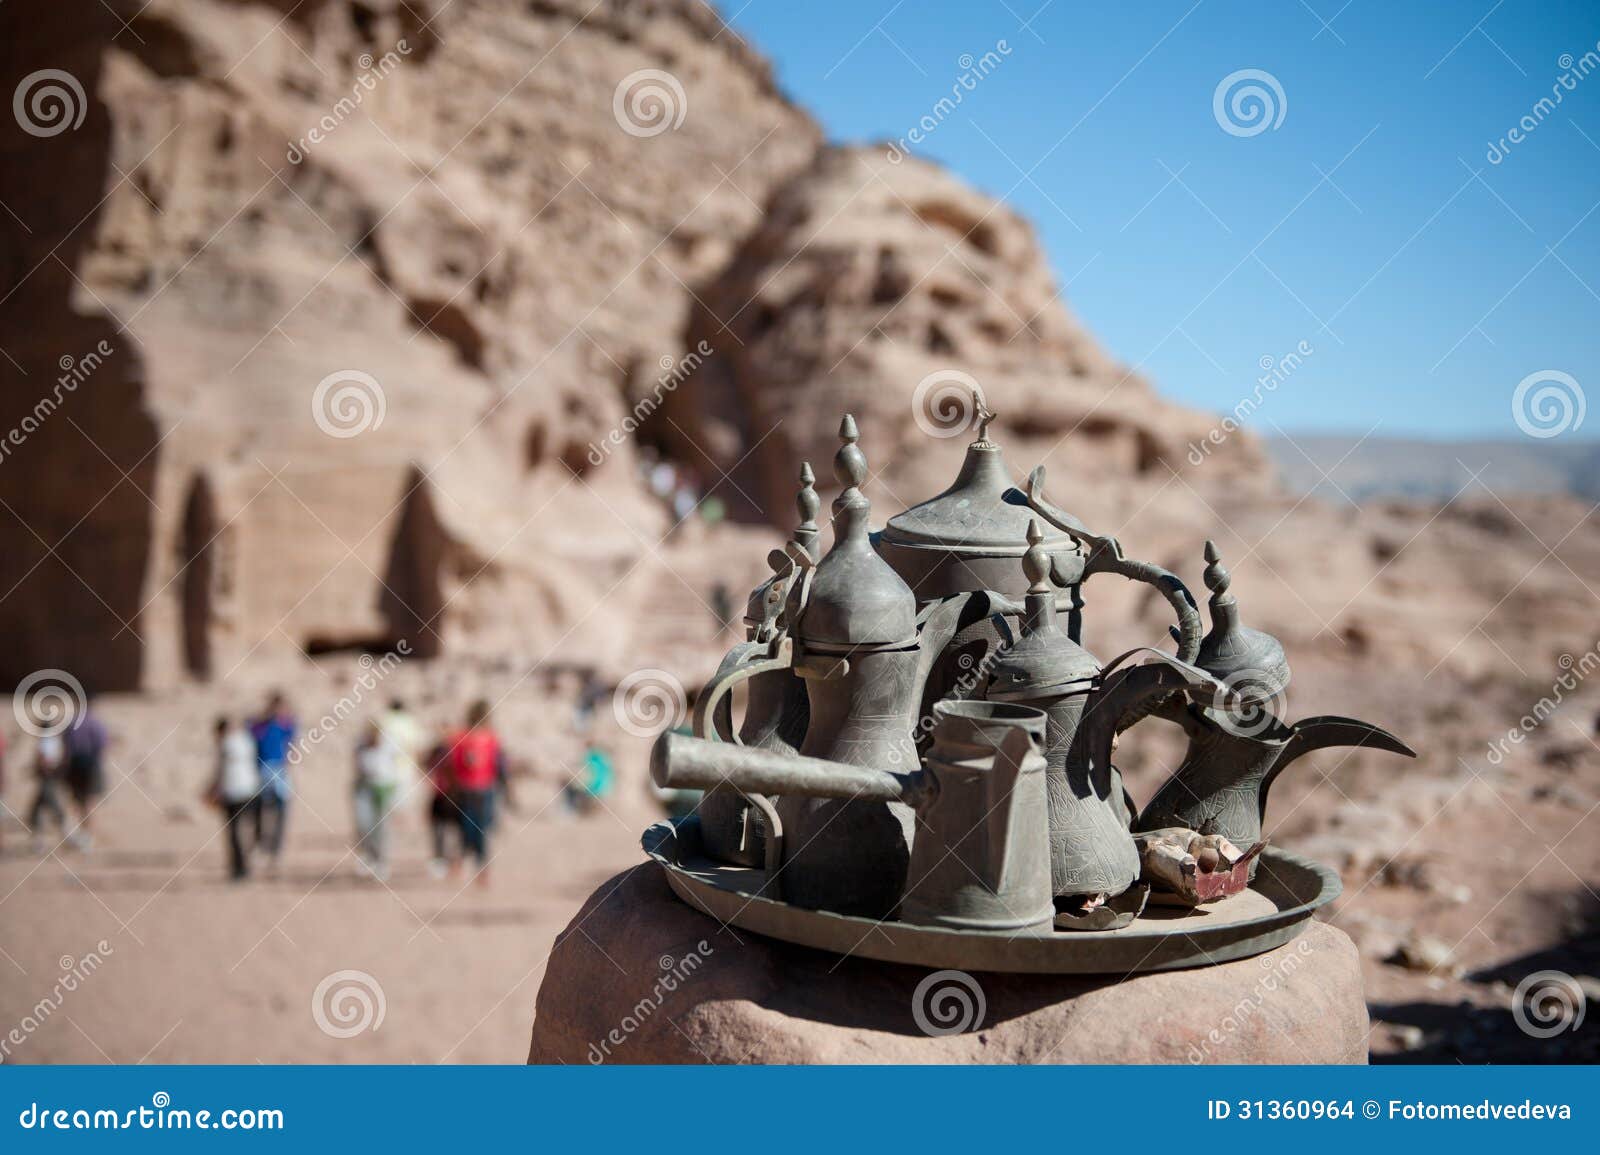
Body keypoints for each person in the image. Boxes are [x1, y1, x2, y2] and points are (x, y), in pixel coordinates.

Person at [445, 700, 504, 885]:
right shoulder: (475, 738)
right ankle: (475, 868)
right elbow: (500, 767)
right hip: (477, 789)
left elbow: (451, 767)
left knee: (471, 829)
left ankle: (469, 866)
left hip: (474, 789)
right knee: (476, 829)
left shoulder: (465, 738)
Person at [249, 692, 297, 874]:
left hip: (280, 771)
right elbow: (252, 733)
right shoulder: (260, 725)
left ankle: (275, 852)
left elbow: (292, 736)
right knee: (260, 810)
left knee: (282, 812)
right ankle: (260, 846)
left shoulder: (285, 725)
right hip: (262, 771)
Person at [209, 715, 260, 881]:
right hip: (250, 789)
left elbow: (221, 771)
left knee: (234, 833)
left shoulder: (225, 744)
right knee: (246, 830)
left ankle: (239, 868)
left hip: (232, 792)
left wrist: (213, 790)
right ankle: (246, 864)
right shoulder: (246, 740)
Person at [352, 720, 399, 882]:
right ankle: (369, 855)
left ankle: (382, 861)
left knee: (382, 827)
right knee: (363, 824)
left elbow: (396, 765)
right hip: (365, 788)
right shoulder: (360, 746)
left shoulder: (388, 745)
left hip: (384, 788)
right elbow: (355, 765)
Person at [62, 694, 108, 852]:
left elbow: (65, 746)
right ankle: (86, 836)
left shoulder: (72, 723)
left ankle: (81, 834)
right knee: (87, 802)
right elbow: (102, 745)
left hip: (75, 765)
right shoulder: (96, 724)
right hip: (90, 765)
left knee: (77, 801)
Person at [27, 731, 68, 852]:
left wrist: (38, 770)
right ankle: (39, 842)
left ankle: (70, 838)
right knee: (37, 811)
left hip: (47, 779)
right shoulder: (54, 741)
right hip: (51, 778)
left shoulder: (46, 741)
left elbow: (43, 760)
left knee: (52, 810)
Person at [376, 698, 423, 800]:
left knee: (387, 802)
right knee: (402, 801)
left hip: (386, 768)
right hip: (405, 767)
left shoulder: (385, 720)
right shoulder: (409, 722)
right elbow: (415, 745)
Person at [423, 735, 456, 879]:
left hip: (452, 797)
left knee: (449, 832)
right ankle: (440, 859)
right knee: (438, 831)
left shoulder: (454, 755)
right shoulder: (436, 755)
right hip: (438, 797)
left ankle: (449, 859)